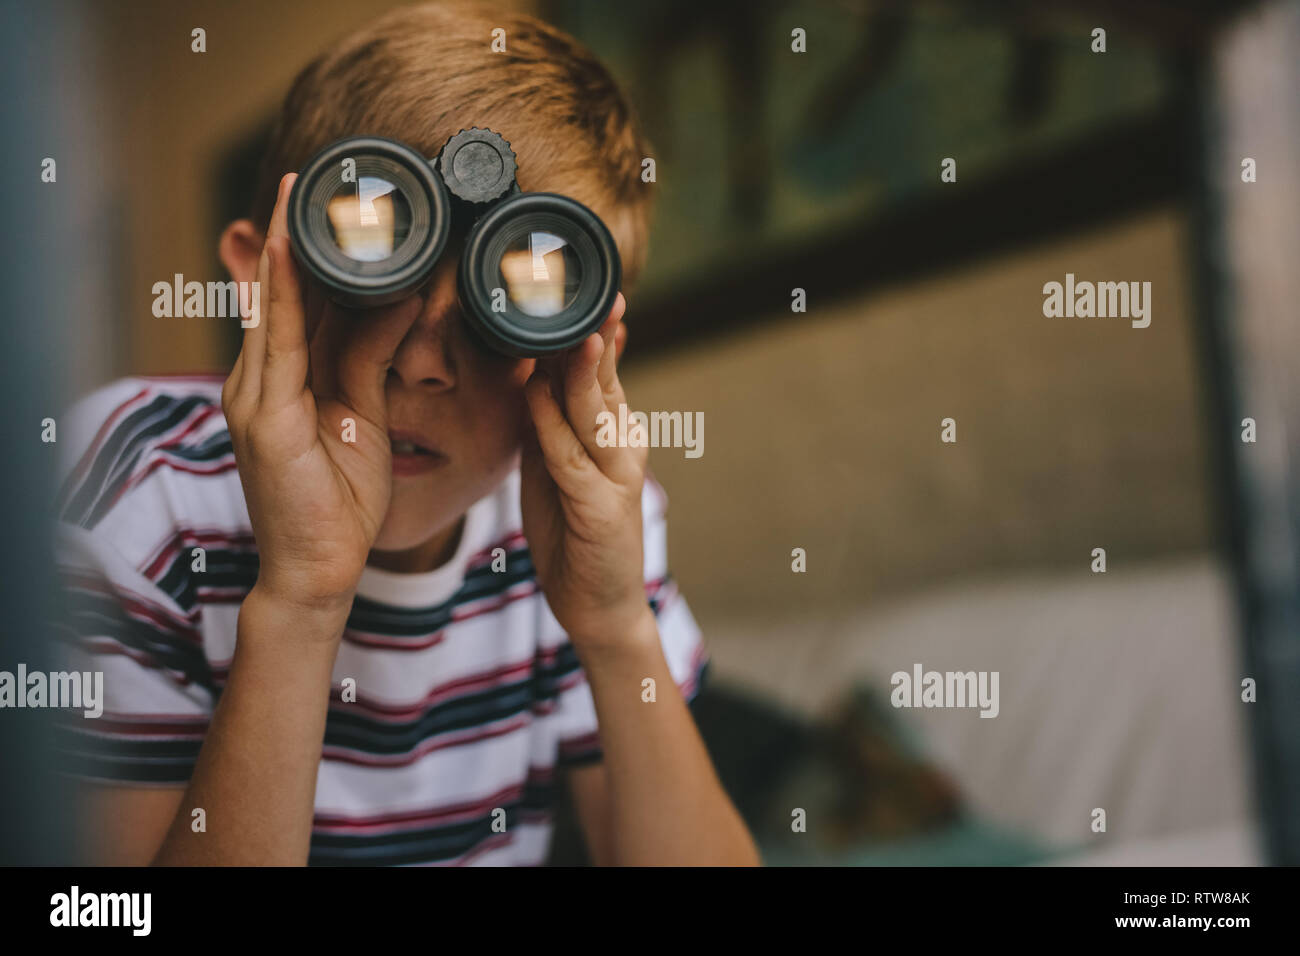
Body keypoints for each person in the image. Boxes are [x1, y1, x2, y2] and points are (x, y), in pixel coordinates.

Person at [54, 1, 758, 866]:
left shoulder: (587, 522)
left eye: (508, 314)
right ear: (258, 281)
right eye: (372, 281)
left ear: (590, 349)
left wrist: (613, 625)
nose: (421, 363)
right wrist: (303, 596)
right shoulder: (137, 493)